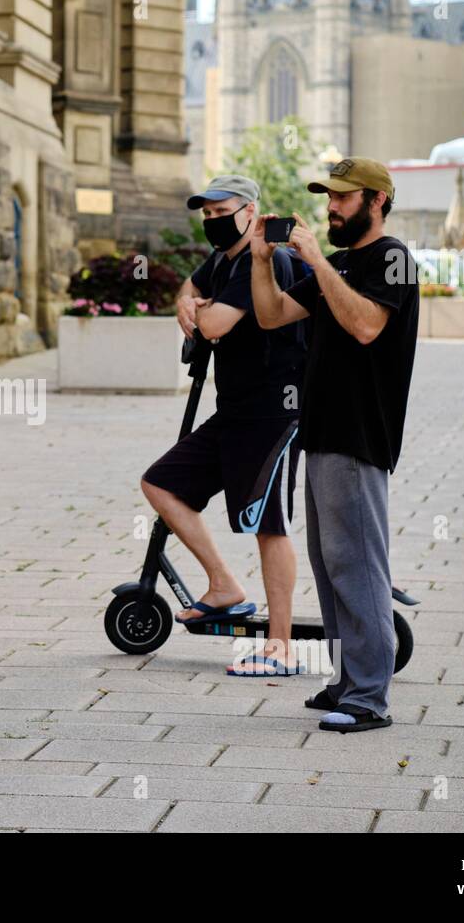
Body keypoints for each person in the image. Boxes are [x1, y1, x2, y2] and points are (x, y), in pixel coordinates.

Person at [249, 156, 419, 733]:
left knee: (359, 565)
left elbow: (368, 324)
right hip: (321, 432)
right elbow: (272, 315)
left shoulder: (390, 259)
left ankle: (370, 697)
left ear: (377, 200)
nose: (331, 207)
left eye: (343, 198)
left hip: (358, 434)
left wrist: (318, 261)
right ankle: (346, 681)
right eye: (328, 198)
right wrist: (261, 260)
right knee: (329, 565)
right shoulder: (340, 263)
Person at [140, 175, 307, 675]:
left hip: (275, 412)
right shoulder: (223, 260)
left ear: (251, 212)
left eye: (222, 211)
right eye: (206, 214)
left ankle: (281, 646)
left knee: (269, 526)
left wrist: (198, 311)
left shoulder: (267, 259)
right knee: (161, 484)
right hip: (235, 411)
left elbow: (213, 326)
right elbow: (189, 290)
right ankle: (224, 586)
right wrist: (187, 301)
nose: (212, 221)